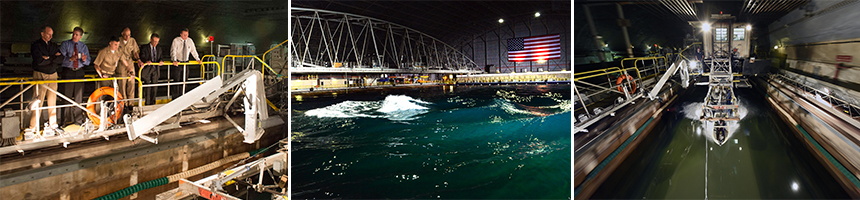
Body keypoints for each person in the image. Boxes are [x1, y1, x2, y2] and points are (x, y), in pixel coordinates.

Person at [27, 26, 64, 139]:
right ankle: (33, 127)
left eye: (51, 34)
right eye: (48, 34)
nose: (50, 36)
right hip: (40, 74)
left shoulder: (53, 45)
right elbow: (39, 61)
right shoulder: (36, 45)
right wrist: (53, 58)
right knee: (38, 100)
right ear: (42, 33)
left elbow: (60, 59)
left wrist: (49, 58)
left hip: (52, 74)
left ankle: (53, 124)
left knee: (52, 100)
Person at [58, 27, 91, 127]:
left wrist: (84, 60)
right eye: (73, 34)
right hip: (68, 72)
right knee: (66, 97)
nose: (74, 36)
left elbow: (88, 61)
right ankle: (63, 121)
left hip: (79, 72)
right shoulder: (65, 44)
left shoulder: (83, 46)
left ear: (81, 36)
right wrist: (70, 59)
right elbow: (59, 59)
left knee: (79, 97)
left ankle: (78, 120)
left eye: (77, 35)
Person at [170, 28, 201, 99]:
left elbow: (193, 51)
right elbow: (173, 51)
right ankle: (175, 98)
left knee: (185, 80)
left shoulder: (190, 41)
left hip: (186, 62)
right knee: (177, 81)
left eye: (187, 35)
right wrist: (174, 60)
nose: (185, 36)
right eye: (184, 35)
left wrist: (198, 59)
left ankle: (183, 97)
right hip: (178, 62)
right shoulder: (176, 40)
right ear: (181, 34)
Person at [117, 28, 140, 108]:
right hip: (121, 64)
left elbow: (135, 52)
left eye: (129, 35)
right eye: (125, 35)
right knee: (122, 85)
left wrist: (138, 60)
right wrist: (128, 68)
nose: (127, 37)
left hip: (130, 61)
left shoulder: (132, 41)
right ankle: (124, 105)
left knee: (131, 83)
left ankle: (131, 104)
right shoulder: (118, 41)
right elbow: (121, 56)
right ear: (122, 34)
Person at [138, 33, 164, 106]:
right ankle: (147, 103)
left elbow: (161, 57)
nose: (155, 43)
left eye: (157, 41)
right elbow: (142, 56)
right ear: (150, 40)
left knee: (155, 87)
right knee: (147, 87)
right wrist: (146, 61)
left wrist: (161, 61)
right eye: (154, 41)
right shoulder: (144, 47)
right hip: (147, 70)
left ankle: (153, 103)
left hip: (155, 70)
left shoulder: (159, 48)